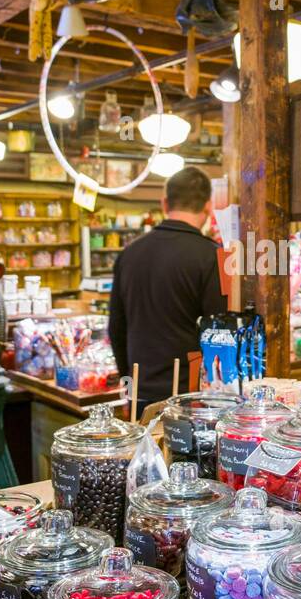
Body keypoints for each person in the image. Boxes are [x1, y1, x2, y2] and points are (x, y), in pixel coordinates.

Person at [109, 166, 226, 414]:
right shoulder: (212, 256)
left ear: (164, 204)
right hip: (190, 397)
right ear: (208, 206)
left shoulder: (129, 254)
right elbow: (218, 333)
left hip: (141, 391)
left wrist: (127, 386)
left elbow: (116, 328)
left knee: (145, 453)